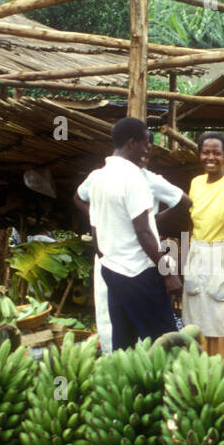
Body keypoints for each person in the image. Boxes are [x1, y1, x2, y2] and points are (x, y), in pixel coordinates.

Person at [75, 117, 181, 351]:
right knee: (167, 344)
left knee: (123, 344)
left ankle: (125, 387)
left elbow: (95, 228)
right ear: (132, 143)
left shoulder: (99, 178)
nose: (148, 149)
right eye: (146, 143)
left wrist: (105, 260)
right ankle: (172, 387)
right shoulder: (133, 178)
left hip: (112, 271)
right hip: (139, 272)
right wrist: (167, 274)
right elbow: (143, 231)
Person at [185, 132, 224, 356]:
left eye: (217, 153)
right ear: (199, 155)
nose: (210, 157)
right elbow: (193, 220)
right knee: (197, 318)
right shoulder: (196, 182)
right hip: (198, 252)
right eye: (205, 152)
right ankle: (199, 369)